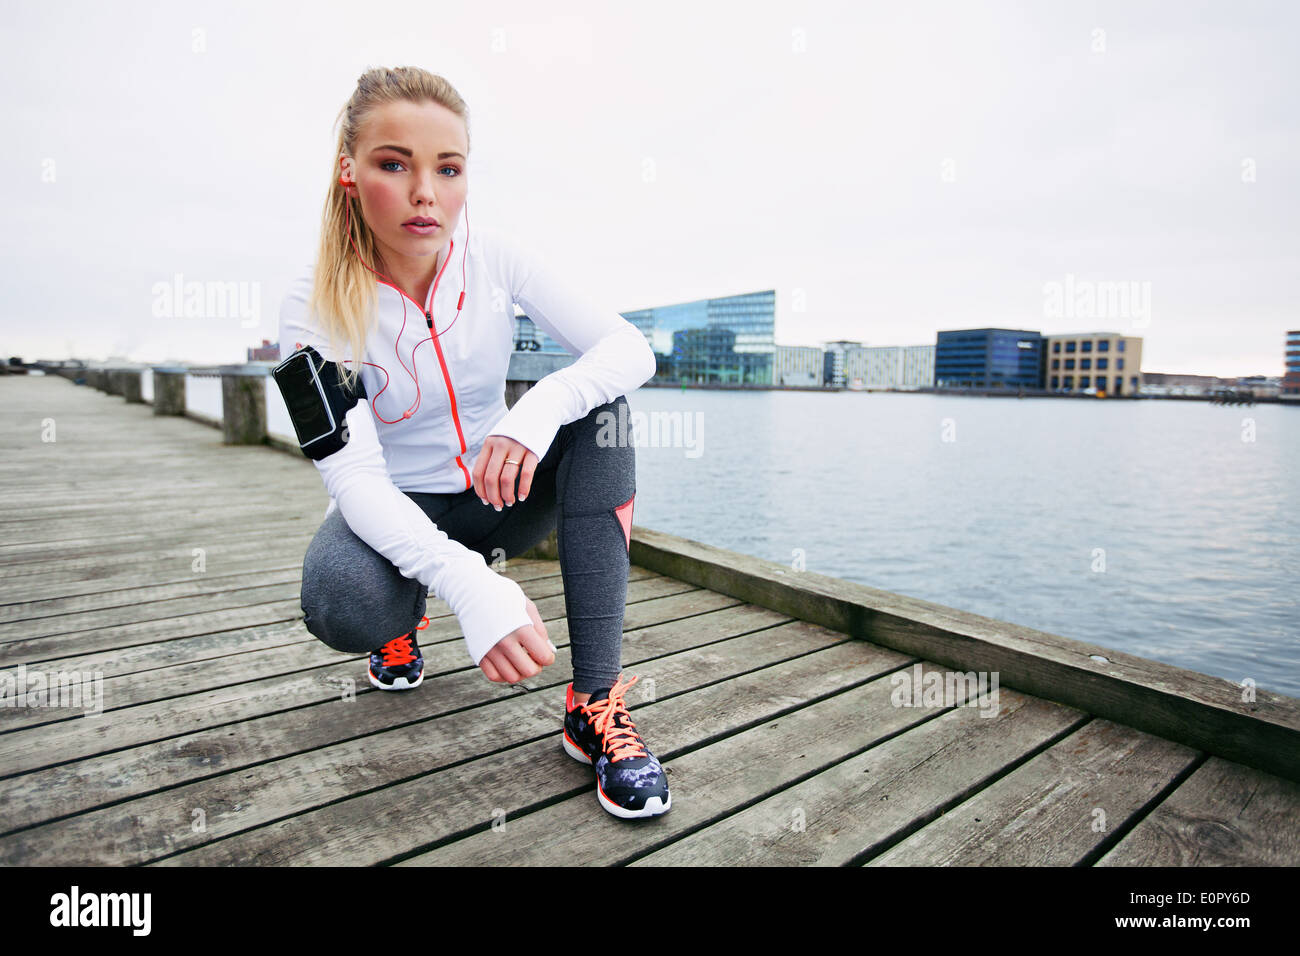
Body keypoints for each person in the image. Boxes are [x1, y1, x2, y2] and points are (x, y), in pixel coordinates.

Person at [277, 66, 670, 819]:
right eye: (395, 164)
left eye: (448, 169)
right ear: (349, 174)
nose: (427, 192)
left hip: (501, 492)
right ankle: (404, 614)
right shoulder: (311, 303)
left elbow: (630, 349)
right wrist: (467, 584)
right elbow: (355, 483)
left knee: (605, 410)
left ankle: (594, 705)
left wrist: (536, 409)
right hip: (399, 509)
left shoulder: (496, 257)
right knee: (339, 599)